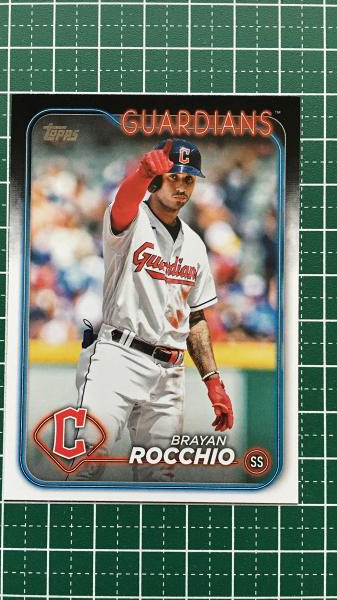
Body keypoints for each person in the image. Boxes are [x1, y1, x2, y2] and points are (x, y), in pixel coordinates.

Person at [73, 138, 234, 482]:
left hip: (169, 373)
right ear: (157, 180)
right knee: (89, 462)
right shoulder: (132, 220)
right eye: (174, 176)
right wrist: (142, 174)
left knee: (159, 479)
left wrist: (213, 381)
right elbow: (123, 204)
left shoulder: (195, 244)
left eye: (189, 179)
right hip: (119, 357)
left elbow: (195, 318)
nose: (181, 186)